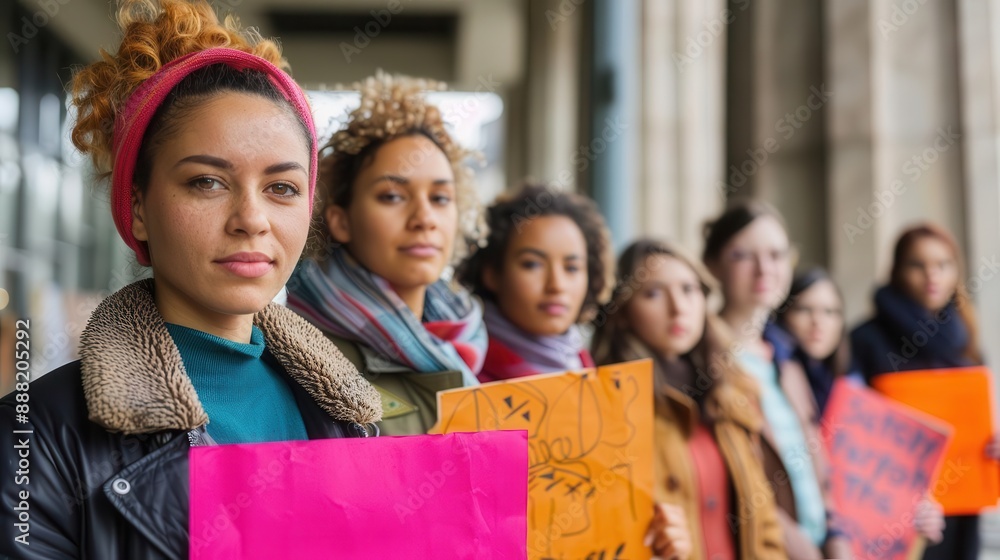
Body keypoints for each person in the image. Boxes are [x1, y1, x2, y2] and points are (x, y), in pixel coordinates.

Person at [0, 1, 381, 557]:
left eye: (282, 188)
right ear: (136, 210)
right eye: (206, 182)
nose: (251, 218)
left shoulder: (349, 418)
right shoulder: (34, 442)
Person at [286, 72, 487, 436]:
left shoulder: (471, 339)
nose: (424, 218)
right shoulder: (303, 359)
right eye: (392, 196)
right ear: (341, 220)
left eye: (440, 198)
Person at [592, 238, 786, 559]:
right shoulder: (607, 406)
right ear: (623, 312)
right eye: (653, 293)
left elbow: (765, 522)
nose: (678, 307)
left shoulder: (732, 390)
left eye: (689, 289)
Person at [702, 200, 851, 559]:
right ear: (713, 265)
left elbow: (817, 467)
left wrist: (836, 538)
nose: (765, 268)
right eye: (743, 255)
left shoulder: (786, 357)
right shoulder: (703, 360)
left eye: (777, 254)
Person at [851, 223, 994, 560]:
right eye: (918, 265)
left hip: (963, 503)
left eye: (943, 264)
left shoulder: (967, 341)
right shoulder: (866, 339)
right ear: (898, 270)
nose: (932, 275)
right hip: (895, 512)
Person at [457, 183, 612, 382]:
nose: (556, 285)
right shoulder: (463, 376)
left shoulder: (585, 365)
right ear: (492, 274)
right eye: (532, 265)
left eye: (572, 268)